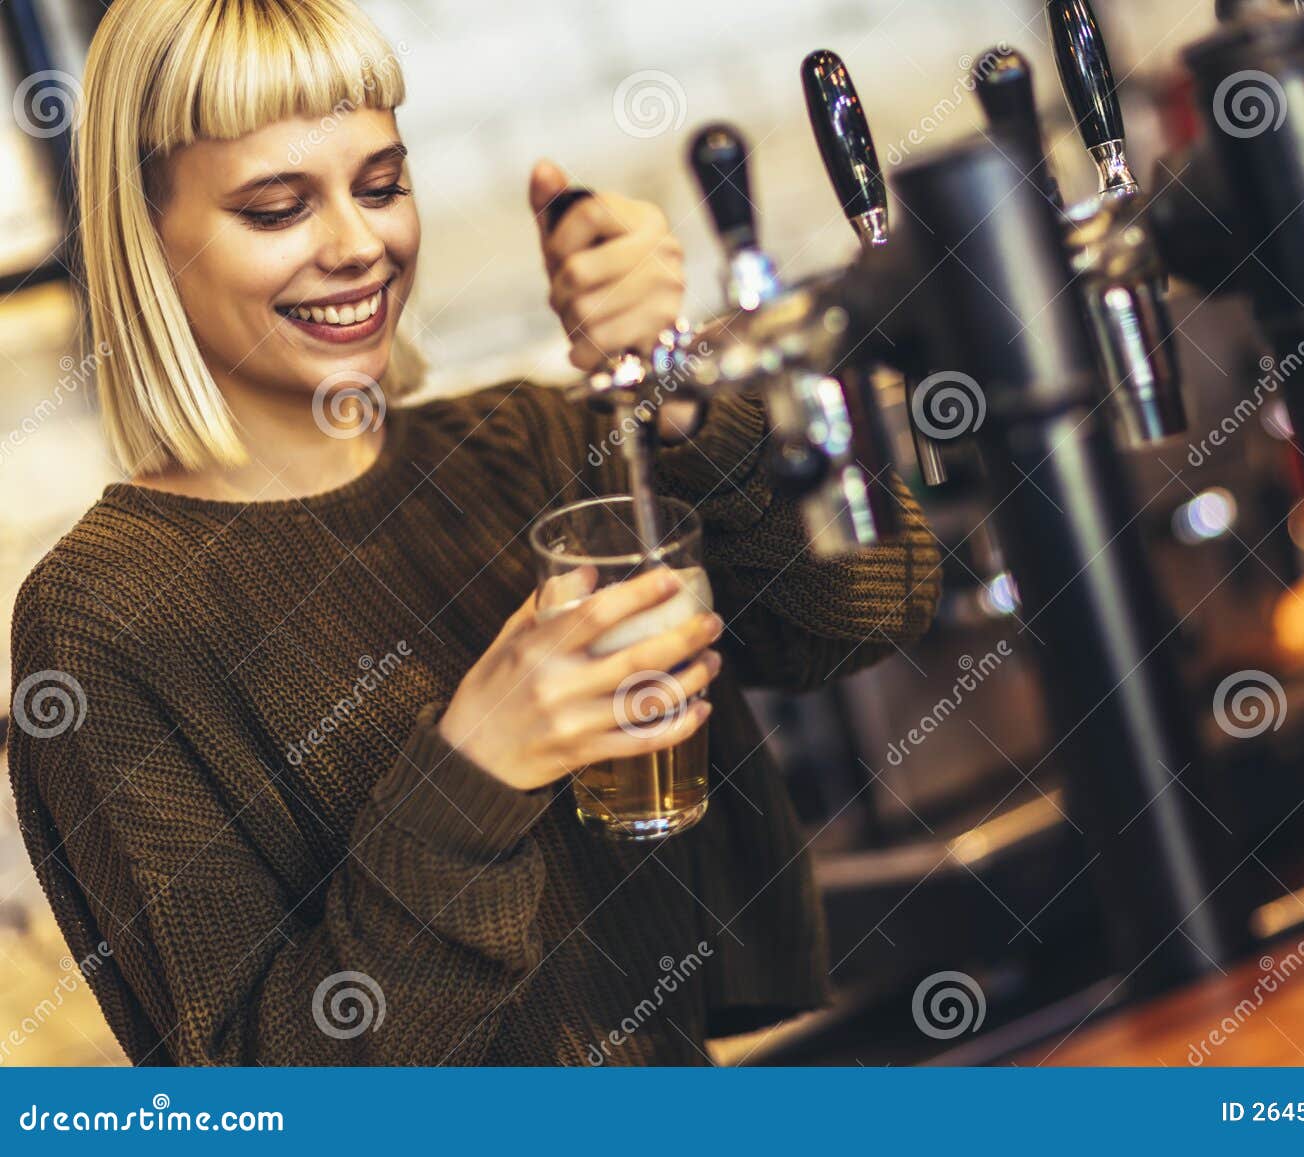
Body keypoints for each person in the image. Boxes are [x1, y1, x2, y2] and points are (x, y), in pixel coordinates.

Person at [7, 0, 941, 1065]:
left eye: (380, 186)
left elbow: (872, 606)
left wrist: (677, 384)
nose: (360, 245)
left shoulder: (528, 443)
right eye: (276, 209)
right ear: (146, 235)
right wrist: (476, 768)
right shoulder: (106, 619)